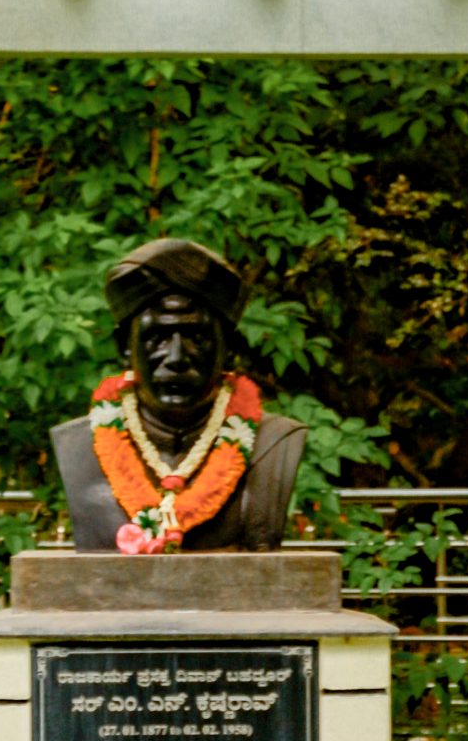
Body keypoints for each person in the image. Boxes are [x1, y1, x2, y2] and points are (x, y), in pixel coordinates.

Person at [51, 236, 306, 553]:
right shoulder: (76, 446)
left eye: (196, 337)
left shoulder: (274, 443)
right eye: (157, 337)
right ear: (124, 349)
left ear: (230, 349)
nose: (175, 357)